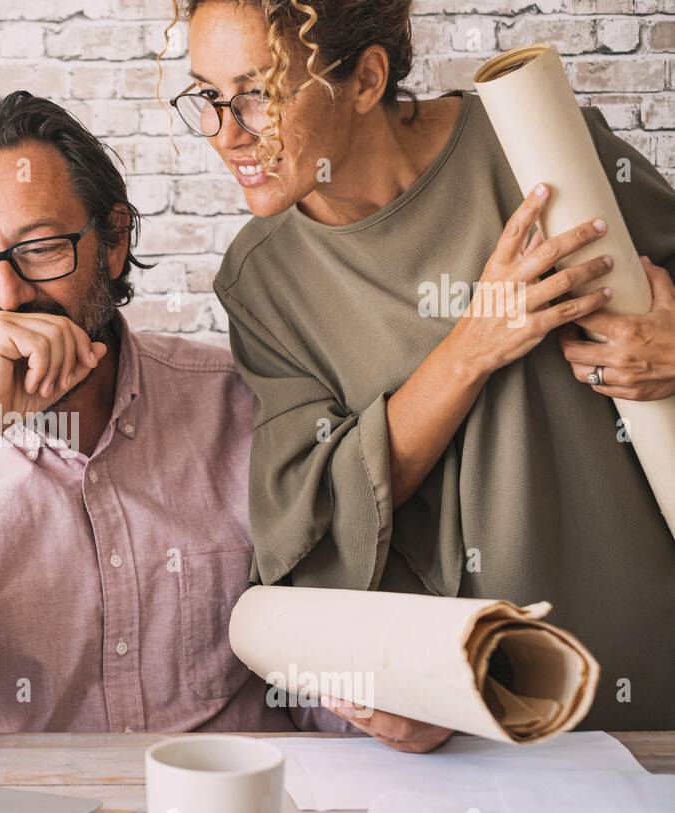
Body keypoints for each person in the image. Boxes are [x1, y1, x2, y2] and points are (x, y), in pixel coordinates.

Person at [0, 92, 374, 740]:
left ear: (115, 240)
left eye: (40, 249)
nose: (7, 297)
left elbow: (317, 684)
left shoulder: (243, 409)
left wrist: (378, 706)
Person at [172, 0, 675, 733]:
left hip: (655, 673)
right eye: (209, 98)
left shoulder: (534, 145)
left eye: (259, 94)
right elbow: (313, 516)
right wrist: (473, 345)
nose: (227, 135)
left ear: (368, 79)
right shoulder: (263, 279)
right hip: (476, 711)